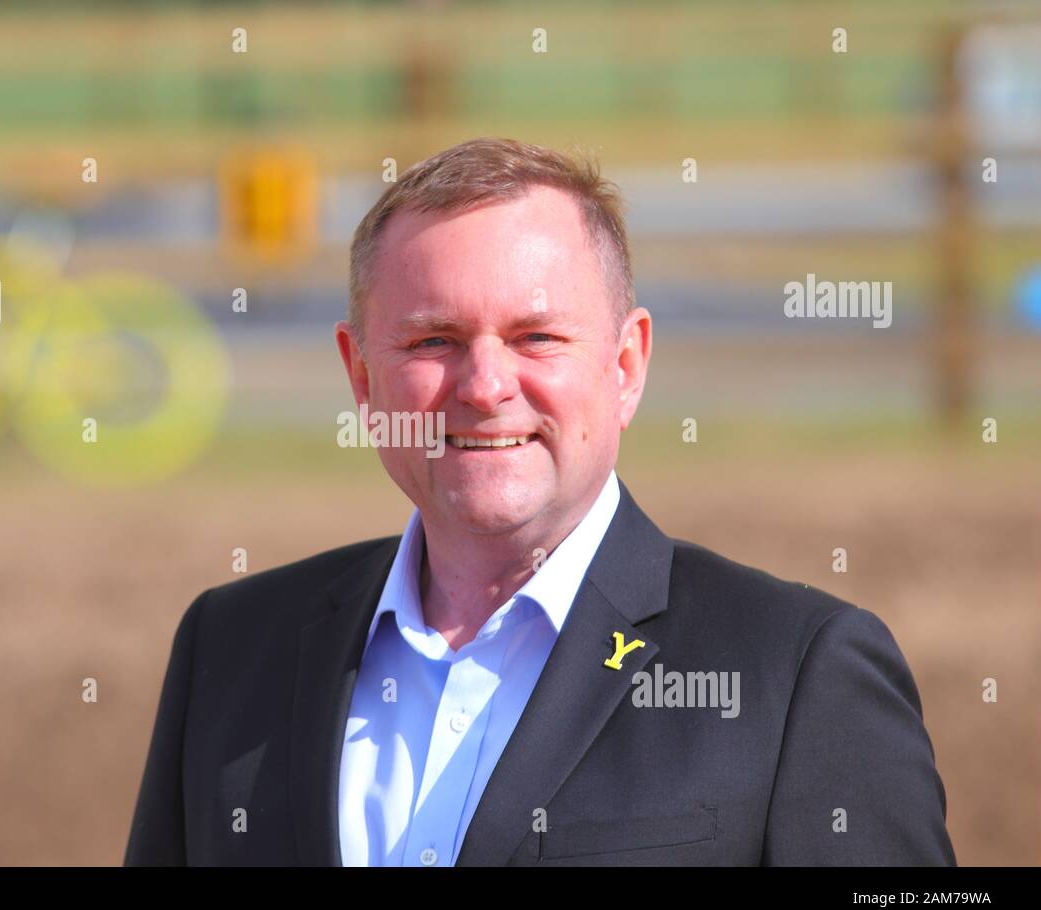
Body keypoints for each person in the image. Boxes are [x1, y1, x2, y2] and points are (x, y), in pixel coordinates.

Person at [124, 137, 955, 866]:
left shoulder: (798, 673)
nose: (485, 387)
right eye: (432, 341)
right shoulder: (228, 651)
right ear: (360, 374)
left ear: (626, 366)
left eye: (537, 338)